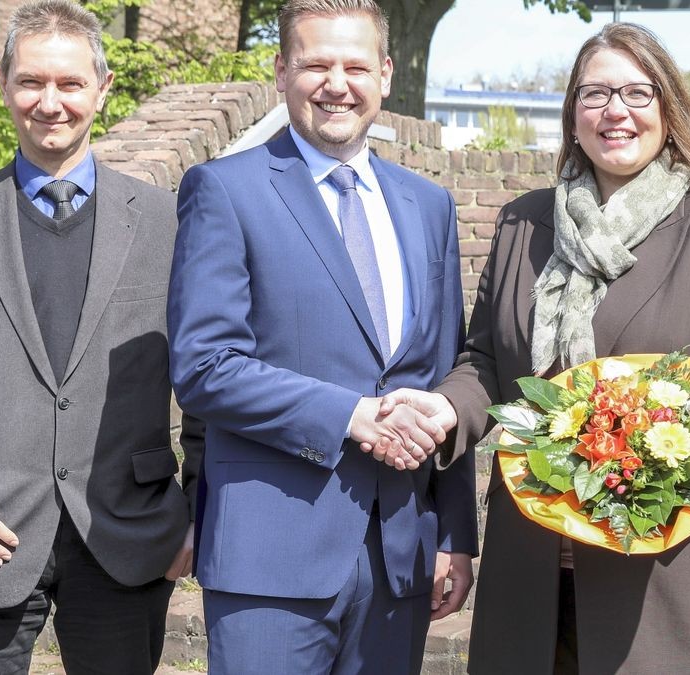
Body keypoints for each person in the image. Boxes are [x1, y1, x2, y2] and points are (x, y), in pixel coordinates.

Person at [382, 22, 690, 674]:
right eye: (595, 93)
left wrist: (649, 465)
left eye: (637, 92)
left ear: (669, 110)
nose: (615, 111)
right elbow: (486, 362)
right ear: (573, 115)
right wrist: (445, 409)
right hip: (536, 573)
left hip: (675, 578)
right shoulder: (524, 223)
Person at [0, 1, 203, 672]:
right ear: (3, 83)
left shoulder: (169, 224)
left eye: (70, 83)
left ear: (103, 89)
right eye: (31, 81)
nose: (50, 102)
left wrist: (202, 509)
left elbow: (207, 374)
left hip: (127, 533)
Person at [165, 0, 478, 671]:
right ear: (282, 72)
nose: (337, 84)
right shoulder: (224, 191)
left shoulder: (429, 206)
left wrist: (455, 532)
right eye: (316, 65)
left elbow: (445, 371)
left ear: (385, 74)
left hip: (400, 557)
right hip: (270, 558)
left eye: (356, 66)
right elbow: (205, 366)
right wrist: (350, 416)